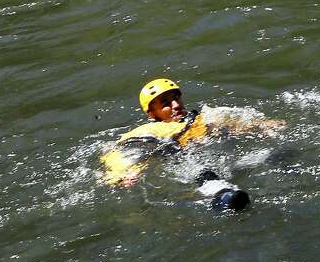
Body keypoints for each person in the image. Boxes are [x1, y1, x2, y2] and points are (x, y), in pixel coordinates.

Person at [101, 78, 284, 207]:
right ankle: (224, 198)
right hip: (185, 167)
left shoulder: (199, 119)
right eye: (165, 103)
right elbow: (115, 152)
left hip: (219, 160)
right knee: (205, 171)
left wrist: (261, 125)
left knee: (271, 155)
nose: (175, 105)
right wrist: (120, 174)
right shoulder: (149, 131)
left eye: (176, 97)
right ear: (152, 114)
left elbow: (229, 123)